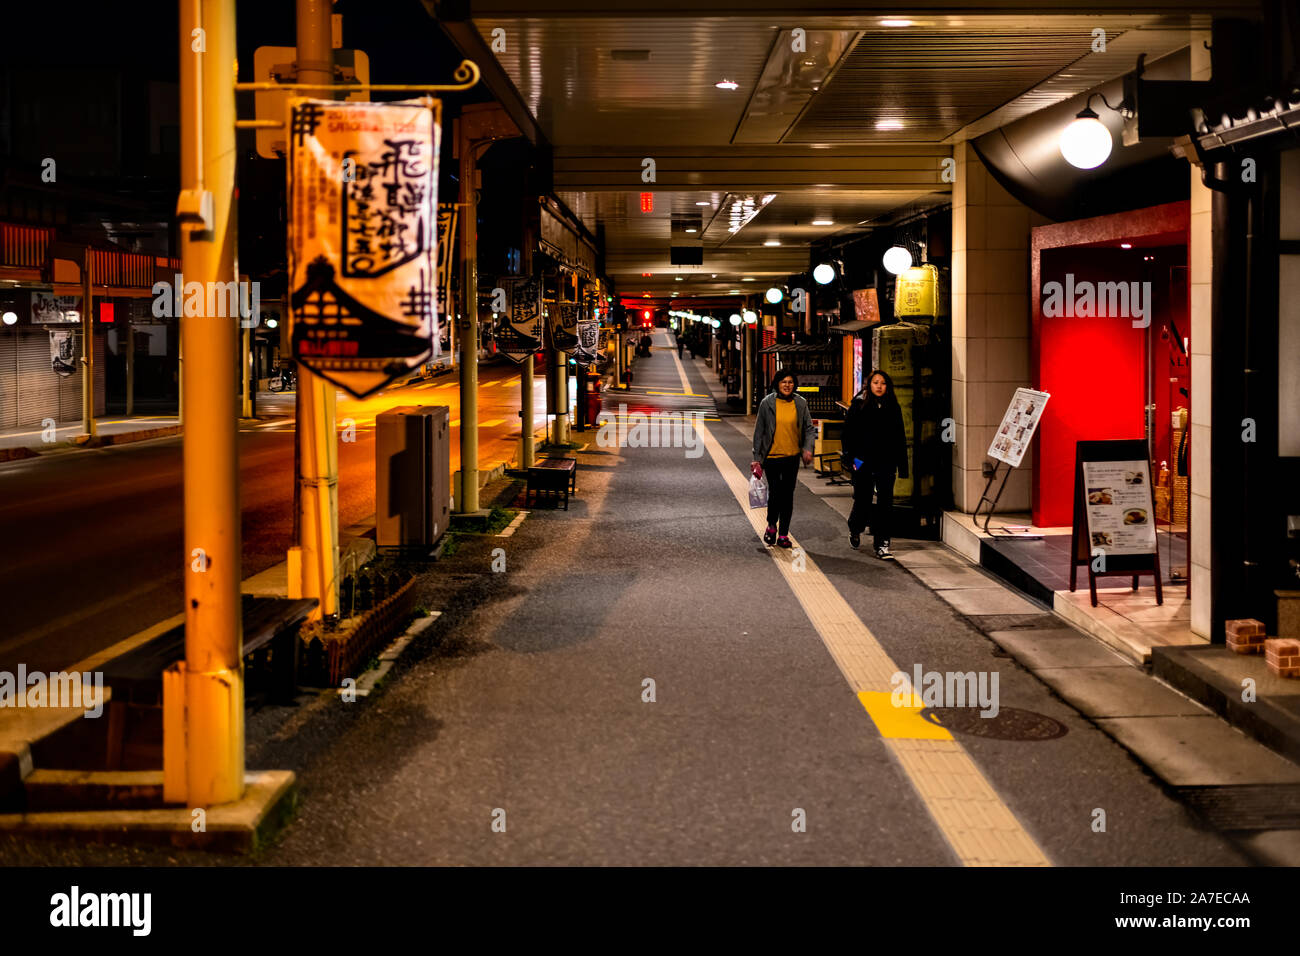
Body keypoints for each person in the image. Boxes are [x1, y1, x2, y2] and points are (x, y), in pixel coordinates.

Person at [842, 369, 909, 560]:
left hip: (886, 463)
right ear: (869, 385)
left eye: (883, 383)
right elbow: (848, 435)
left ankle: (882, 543)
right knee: (862, 500)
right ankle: (855, 528)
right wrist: (851, 460)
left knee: (885, 504)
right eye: (876, 383)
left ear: (888, 387)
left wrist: (902, 466)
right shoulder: (859, 405)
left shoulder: (893, 407)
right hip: (863, 463)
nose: (879, 386)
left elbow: (900, 437)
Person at [751, 369, 815, 549]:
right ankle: (772, 525)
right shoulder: (767, 403)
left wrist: (807, 449)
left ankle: (784, 534)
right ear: (777, 384)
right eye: (783, 382)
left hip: (792, 457)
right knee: (776, 493)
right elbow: (759, 432)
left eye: (790, 382)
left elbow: (809, 428)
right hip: (771, 457)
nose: (787, 385)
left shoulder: (800, 403)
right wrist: (757, 458)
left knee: (788, 495)